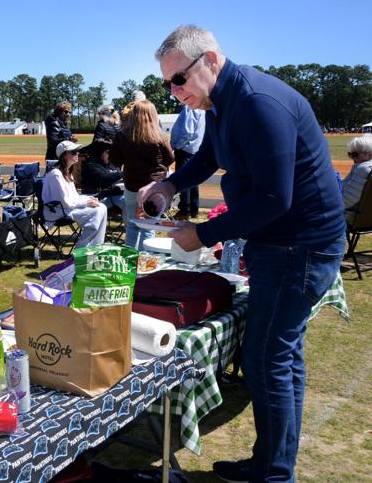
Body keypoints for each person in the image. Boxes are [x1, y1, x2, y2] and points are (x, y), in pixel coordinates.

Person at [141, 25, 344, 482]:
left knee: (267, 358)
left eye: (179, 80)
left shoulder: (255, 101)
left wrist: (205, 233)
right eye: (166, 84)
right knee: (281, 356)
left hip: (299, 246)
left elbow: (275, 198)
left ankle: (273, 474)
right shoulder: (221, 100)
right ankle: (272, 463)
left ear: (210, 60)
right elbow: (209, 154)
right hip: (285, 242)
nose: (174, 93)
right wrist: (169, 183)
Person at [110, 99, 174, 250]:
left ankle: (130, 262)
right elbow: (170, 159)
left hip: (132, 186)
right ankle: (146, 263)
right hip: (154, 188)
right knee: (148, 227)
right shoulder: (159, 136)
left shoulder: (122, 136)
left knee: (132, 225)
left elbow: (115, 160)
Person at [42, 140, 108, 247]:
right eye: (73, 152)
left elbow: (74, 197)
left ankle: (96, 246)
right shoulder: (56, 175)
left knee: (102, 207)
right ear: (64, 156)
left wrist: (88, 198)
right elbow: (64, 202)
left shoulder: (68, 173)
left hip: (66, 208)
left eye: (77, 151)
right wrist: (86, 203)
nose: (77, 154)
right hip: (57, 211)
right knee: (97, 212)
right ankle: (82, 248)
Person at [170, 104, 205, 220]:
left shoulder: (189, 108)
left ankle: (185, 210)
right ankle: (194, 209)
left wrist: (177, 146)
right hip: (195, 149)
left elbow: (187, 132)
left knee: (184, 179)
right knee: (193, 180)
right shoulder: (201, 108)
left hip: (185, 149)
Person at [81, 104, 122, 195]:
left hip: (103, 158)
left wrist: (82, 150)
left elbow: (96, 143)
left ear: (103, 113)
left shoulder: (102, 125)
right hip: (115, 159)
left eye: (99, 113)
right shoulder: (117, 125)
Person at [342, 136, 372, 222]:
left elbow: (347, 200)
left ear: (369, 154)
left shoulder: (362, 169)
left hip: (355, 217)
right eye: (350, 155)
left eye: (355, 155)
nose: (353, 158)